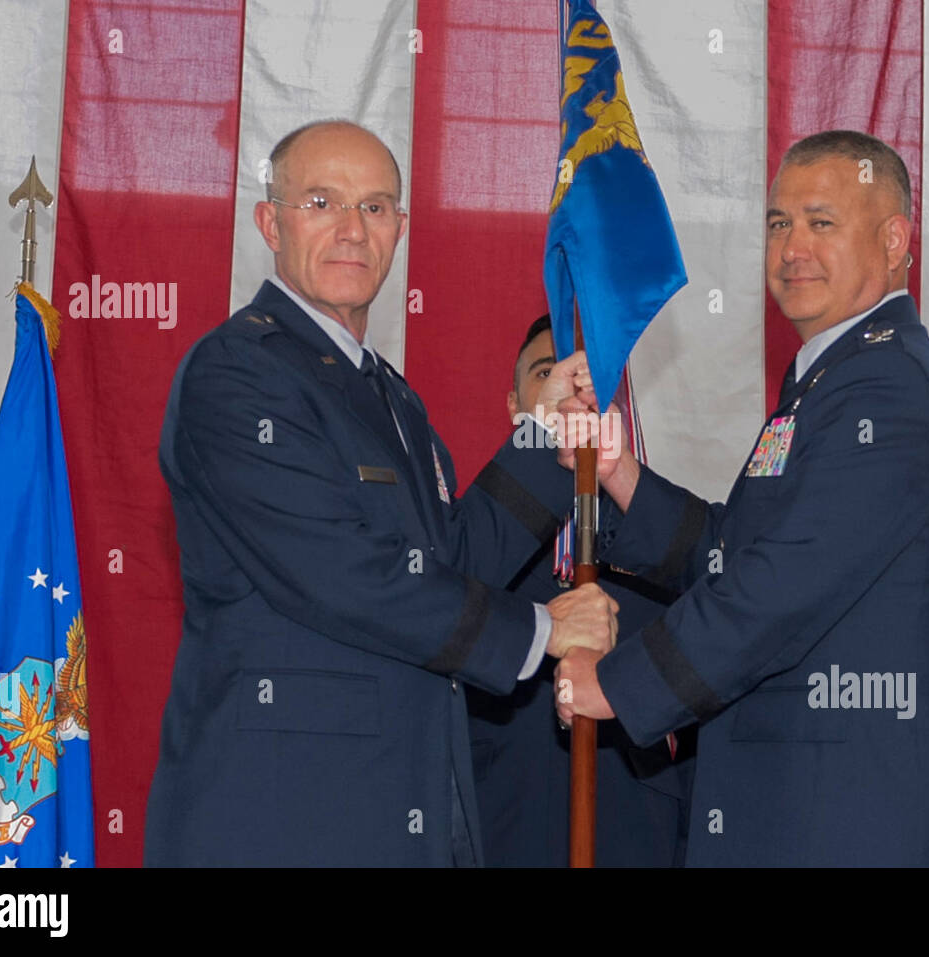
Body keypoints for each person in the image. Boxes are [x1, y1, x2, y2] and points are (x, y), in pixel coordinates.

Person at [145, 120, 618, 867]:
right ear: (270, 221)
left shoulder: (391, 398)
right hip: (288, 816)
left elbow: (454, 556)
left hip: (414, 805)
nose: (351, 229)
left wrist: (543, 431)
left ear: (400, 229)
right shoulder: (236, 373)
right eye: (321, 201)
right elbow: (343, 575)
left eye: (374, 207)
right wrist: (539, 630)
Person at [555, 130, 929, 866]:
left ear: (894, 240)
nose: (793, 247)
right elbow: (742, 556)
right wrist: (620, 474)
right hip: (804, 810)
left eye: (822, 222)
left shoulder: (885, 387)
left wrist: (622, 683)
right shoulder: (830, 377)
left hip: (852, 822)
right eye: (778, 223)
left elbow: (781, 587)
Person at [466, 315, 693, 866]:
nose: (571, 388)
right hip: (501, 837)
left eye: (589, 379)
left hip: (633, 841)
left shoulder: (664, 562)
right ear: (517, 407)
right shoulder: (469, 552)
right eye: (549, 374)